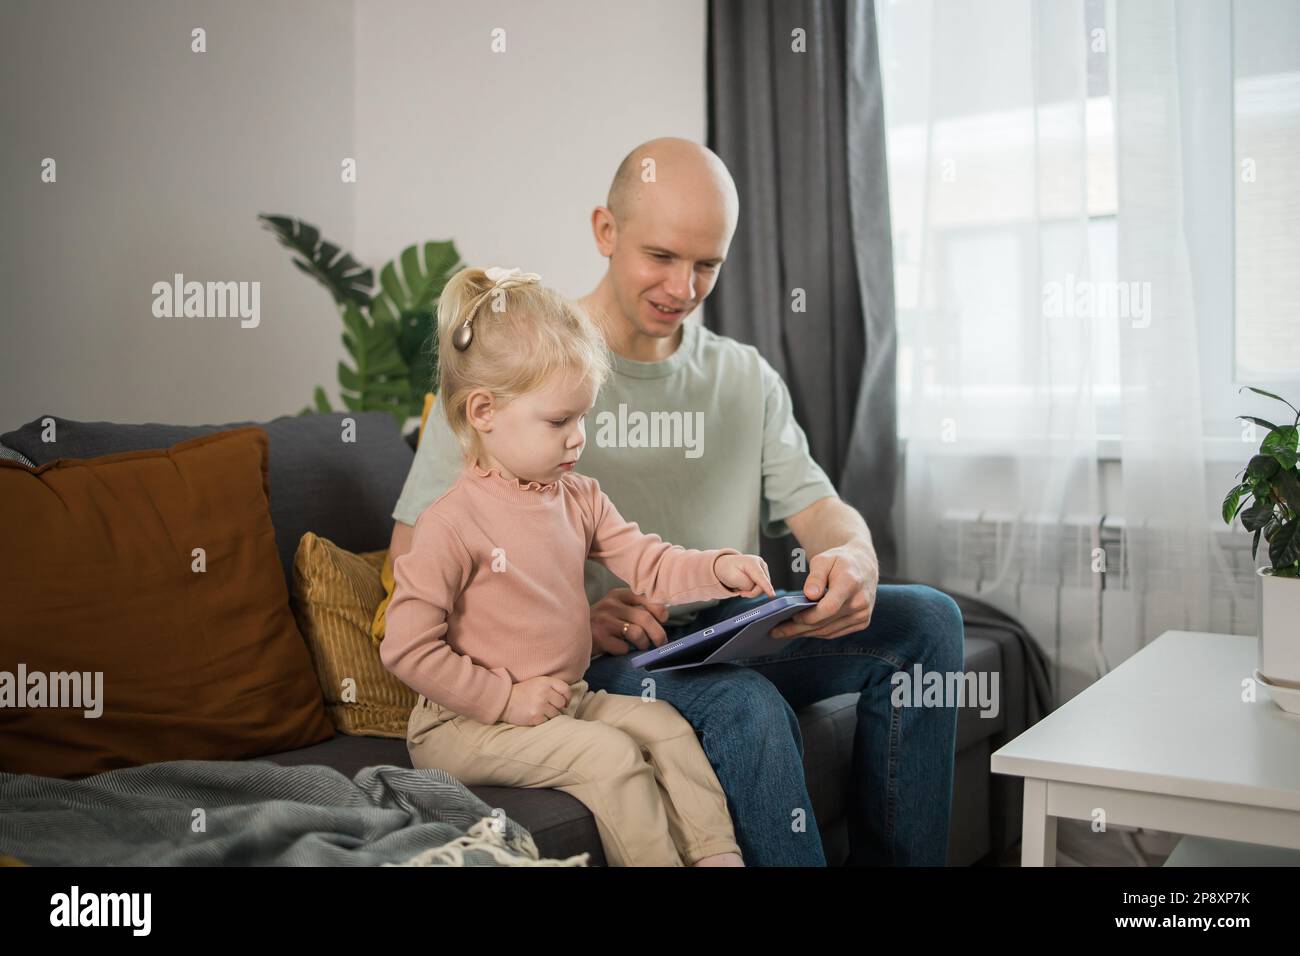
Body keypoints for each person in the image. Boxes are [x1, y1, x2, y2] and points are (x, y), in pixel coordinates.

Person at [389, 138, 965, 866]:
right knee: (743, 706)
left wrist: (851, 554)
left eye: (707, 264)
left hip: (726, 624)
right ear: (605, 231)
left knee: (927, 623)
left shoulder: (743, 378)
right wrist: (565, 621)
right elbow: (410, 572)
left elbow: (820, 510)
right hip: (604, 660)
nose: (683, 286)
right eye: (661, 256)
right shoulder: (513, 372)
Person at [382, 264, 778, 867]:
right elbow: (406, 650)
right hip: (465, 724)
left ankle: (717, 857)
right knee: (610, 757)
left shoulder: (580, 499)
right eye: (559, 421)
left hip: (566, 697)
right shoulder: (451, 523)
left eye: (582, 418)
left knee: (667, 727)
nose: (577, 439)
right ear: (484, 411)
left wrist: (718, 568)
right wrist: (504, 700)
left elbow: (649, 562)